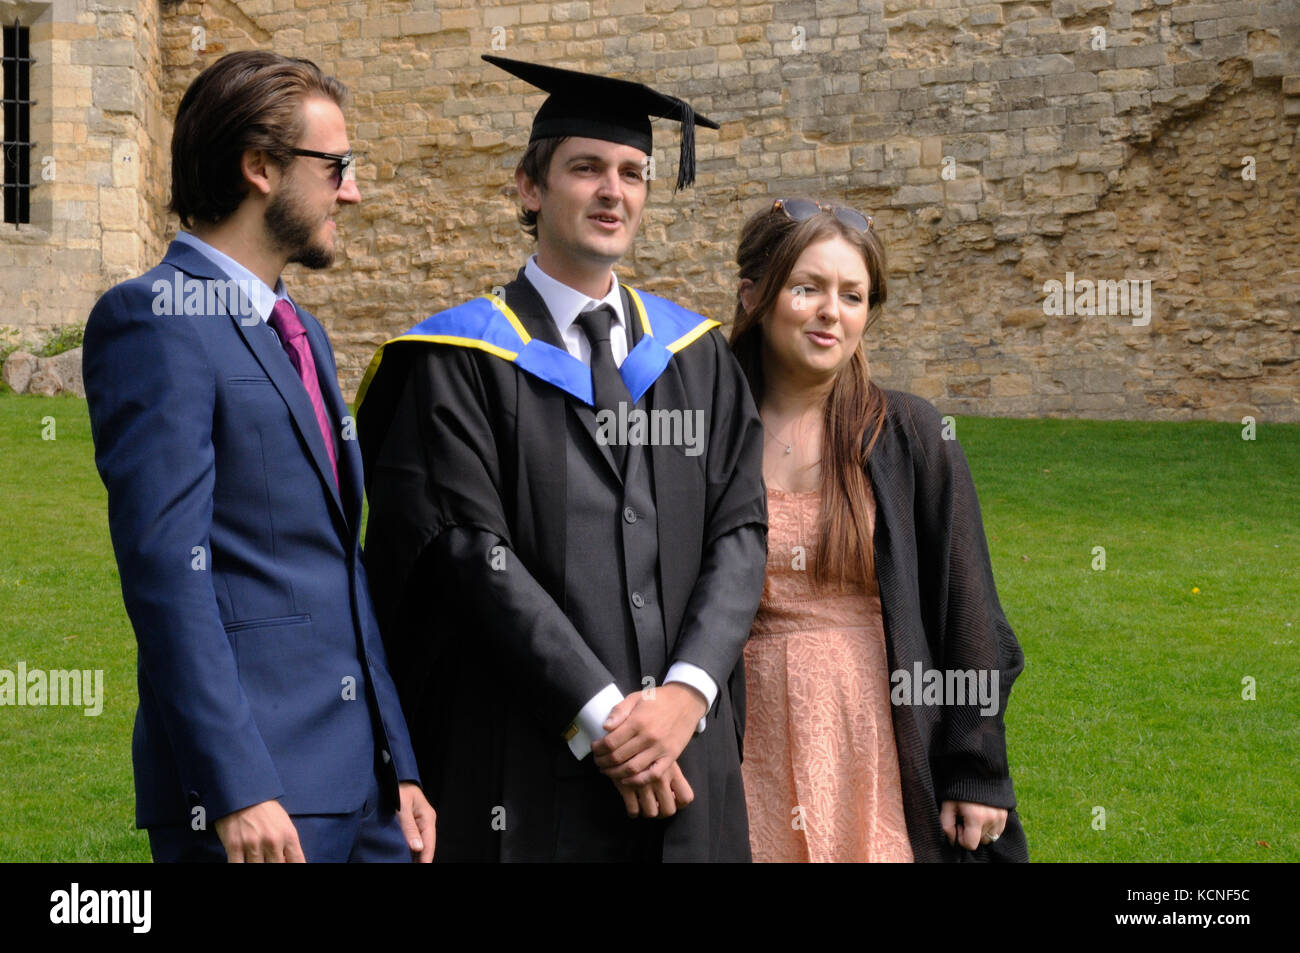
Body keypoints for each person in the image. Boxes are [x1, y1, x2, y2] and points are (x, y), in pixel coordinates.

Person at [356, 55, 767, 862]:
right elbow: (467, 554)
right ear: (529, 188)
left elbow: (741, 532)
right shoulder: (455, 359)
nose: (613, 190)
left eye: (632, 172)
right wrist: (606, 717)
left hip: (687, 756)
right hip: (523, 763)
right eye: (586, 168)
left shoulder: (696, 356)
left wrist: (687, 692)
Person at [82, 51, 434, 863]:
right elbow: (167, 572)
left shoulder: (301, 331)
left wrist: (400, 766)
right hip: (256, 803)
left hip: (367, 796)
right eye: (336, 166)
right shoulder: (154, 321)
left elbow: (340, 567)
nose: (352, 190)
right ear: (260, 167)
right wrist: (235, 783)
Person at [729, 198, 1029, 862]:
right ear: (755, 295)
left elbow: (969, 609)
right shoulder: (710, 437)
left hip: (878, 729)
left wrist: (976, 770)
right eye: (807, 288)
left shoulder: (910, 434)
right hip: (749, 735)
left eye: (853, 294)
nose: (832, 311)